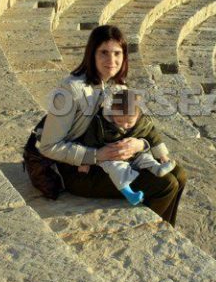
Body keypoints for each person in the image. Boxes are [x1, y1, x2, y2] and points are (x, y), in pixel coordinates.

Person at [30, 25, 187, 226]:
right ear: (91, 54)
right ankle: (148, 232)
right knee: (164, 185)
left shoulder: (119, 86)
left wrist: (141, 145)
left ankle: (165, 229)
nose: (111, 61)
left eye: (117, 53)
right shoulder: (70, 90)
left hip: (116, 161)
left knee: (180, 175)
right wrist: (97, 155)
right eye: (103, 52)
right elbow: (48, 146)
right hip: (79, 170)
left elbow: (140, 127)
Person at [77, 89, 176, 205]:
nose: (124, 125)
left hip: (134, 155)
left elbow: (153, 137)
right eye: (119, 120)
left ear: (138, 115)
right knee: (117, 170)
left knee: (146, 159)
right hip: (110, 156)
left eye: (129, 122)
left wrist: (162, 155)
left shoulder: (142, 121)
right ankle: (129, 193)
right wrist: (85, 162)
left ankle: (158, 168)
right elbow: (90, 139)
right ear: (112, 111)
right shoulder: (101, 122)